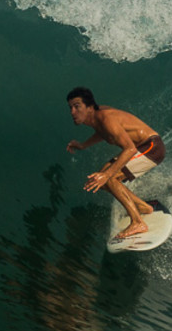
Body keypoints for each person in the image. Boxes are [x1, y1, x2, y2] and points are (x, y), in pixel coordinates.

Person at [65, 86, 166, 240]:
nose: (72, 112)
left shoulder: (106, 119)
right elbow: (103, 133)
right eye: (70, 107)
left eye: (77, 106)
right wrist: (83, 145)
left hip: (151, 147)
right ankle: (143, 207)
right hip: (141, 147)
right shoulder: (97, 118)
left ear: (89, 106)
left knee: (109, 177)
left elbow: (130, 149)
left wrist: (107, 174)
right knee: (101, 180)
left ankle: (138, 222)